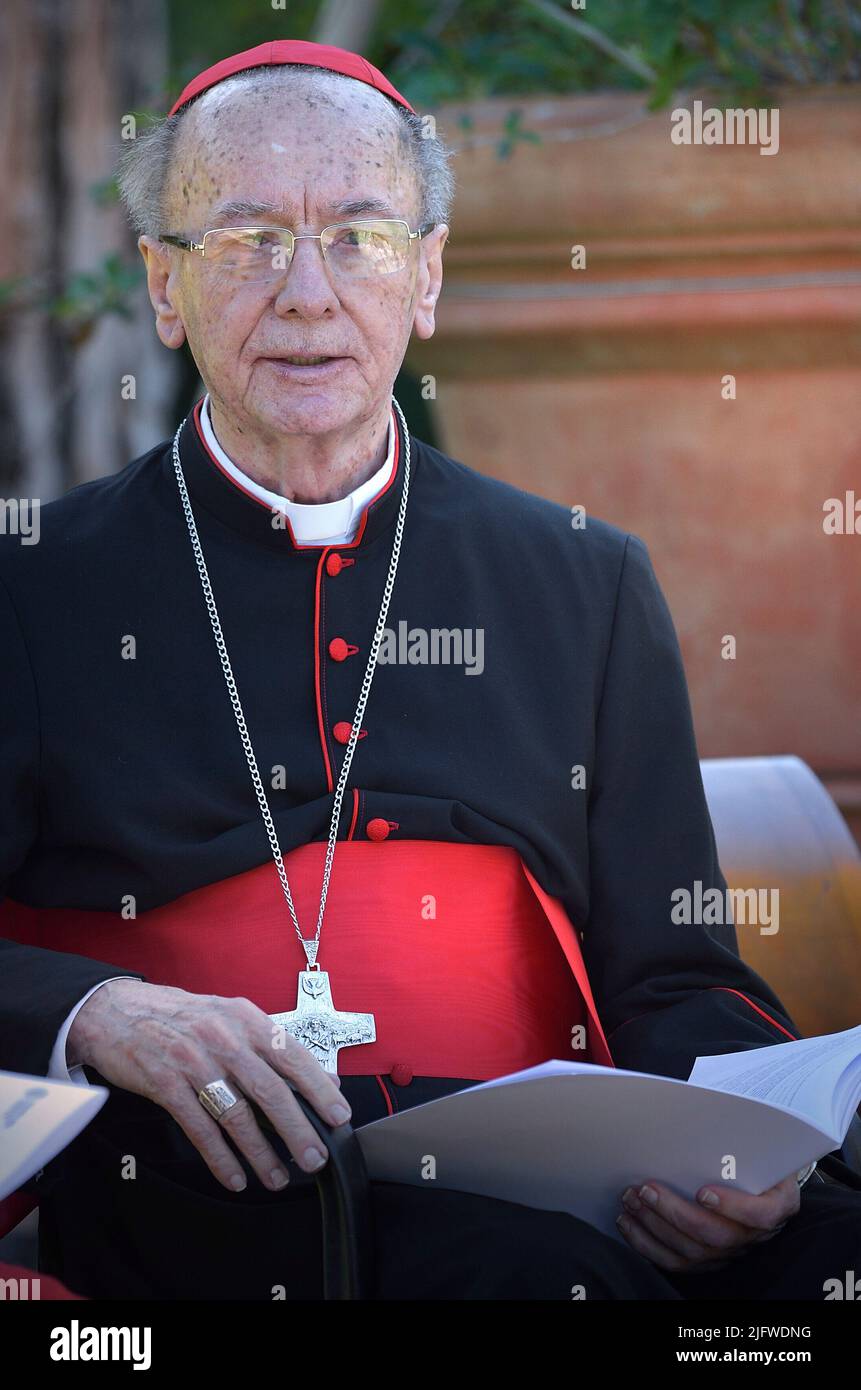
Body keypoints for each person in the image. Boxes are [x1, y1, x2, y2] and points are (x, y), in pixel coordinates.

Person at [1, 39, 858, 1301]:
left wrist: (742, 1155)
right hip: (210, 1186)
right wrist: (104, 1013)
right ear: (164, 290)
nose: (305, 294)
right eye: (244, 242)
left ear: (431, 275)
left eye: (357, 237)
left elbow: (675, 974)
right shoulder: (34, 585)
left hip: (564, 1171)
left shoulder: (584, 581)